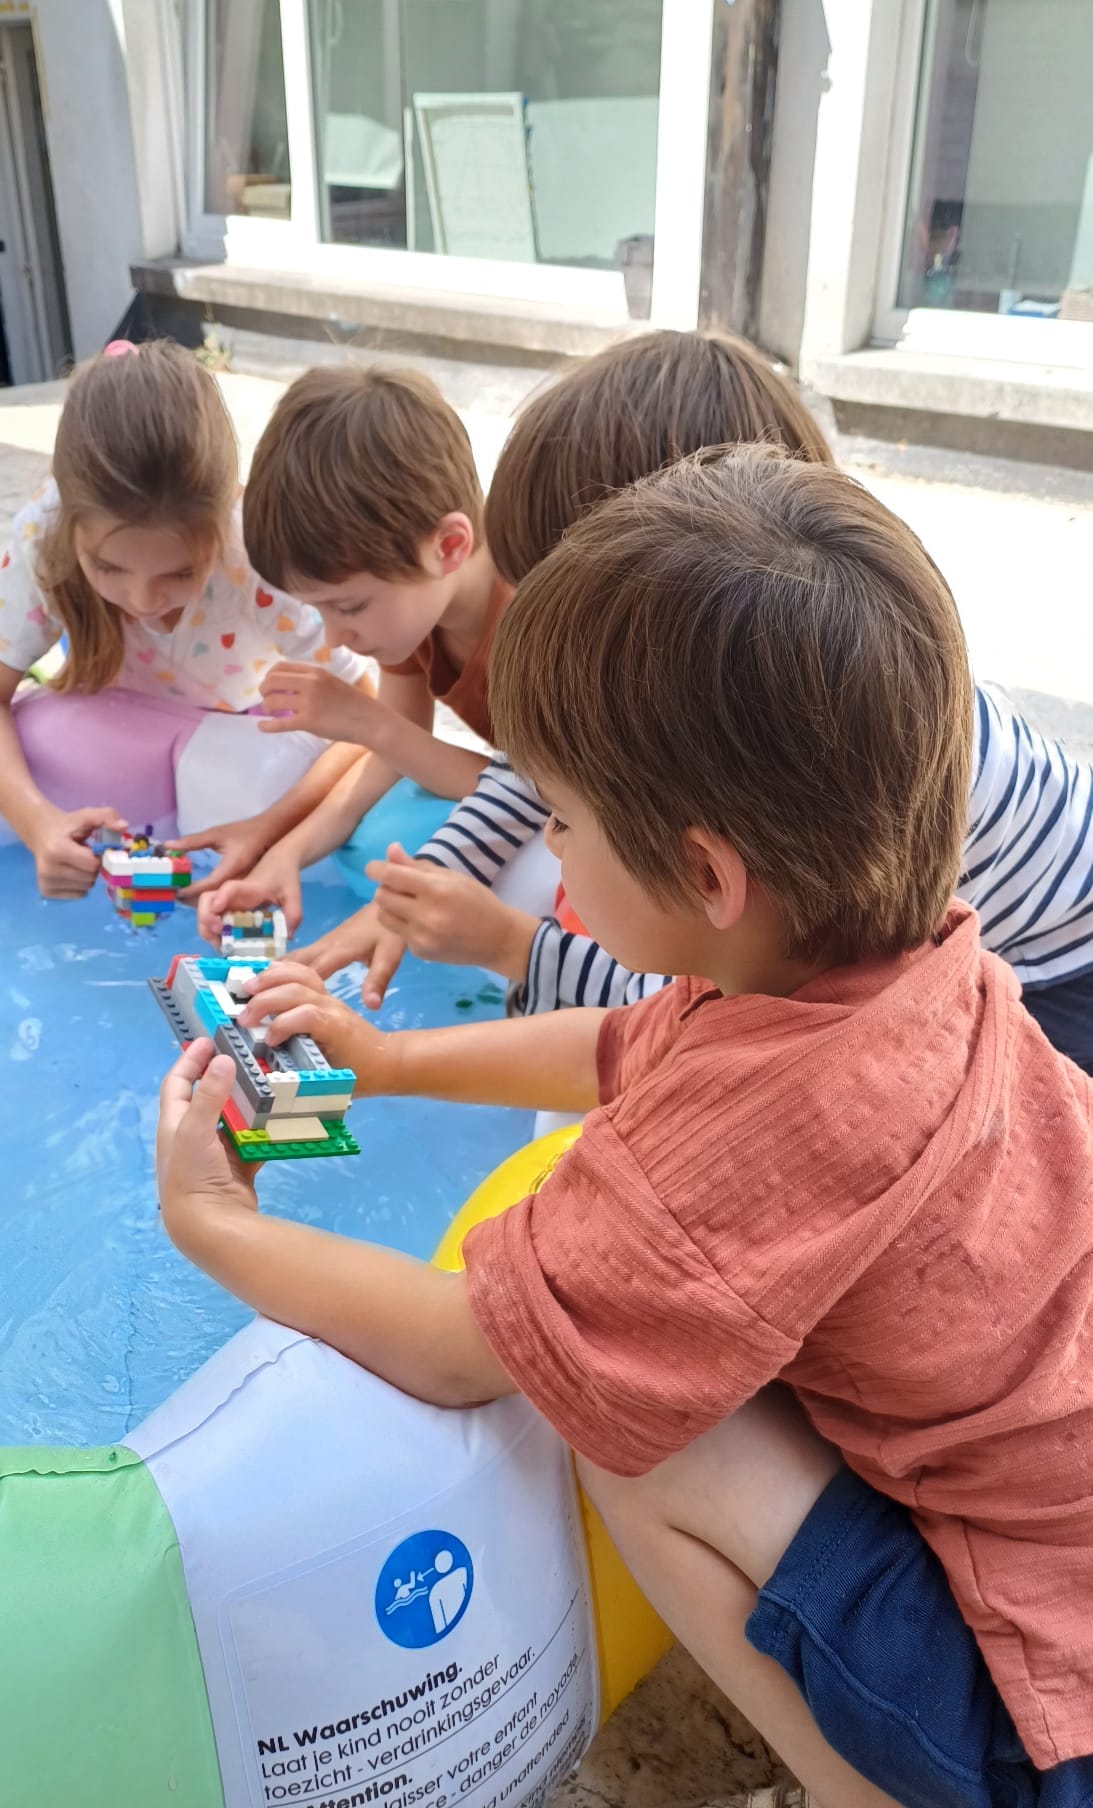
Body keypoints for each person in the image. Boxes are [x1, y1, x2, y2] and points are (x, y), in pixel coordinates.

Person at [158, 449, 1093, 1805]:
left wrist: (212, 1223)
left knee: (626, 1423)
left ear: (706, 874)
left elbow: (465, 1346)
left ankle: (867, 1787)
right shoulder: (924, 961)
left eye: (568, 818)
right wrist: (386, 1059)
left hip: (1040, 1711)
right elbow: (622, 1041)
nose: (558, 852)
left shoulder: (729, 1156)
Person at [296, 331, 1093, 1072]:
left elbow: (719, 1015)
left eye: (573, 603)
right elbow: (524, 773)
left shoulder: (816, 778)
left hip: (1058, 973)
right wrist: (427, 882)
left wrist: (515, 948)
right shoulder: (740, 673)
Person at [0, 341, 372, 898]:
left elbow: (369, 717)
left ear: (221, 519)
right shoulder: (47, 531)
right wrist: (36, 822)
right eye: (107, 567)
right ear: (75, 530)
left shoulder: (255, 554)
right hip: (114, 720)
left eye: (180, 575)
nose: (142, 599)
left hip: (240, 725)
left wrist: (272, 826)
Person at [193, 363, 511, 942]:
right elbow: (391, 758)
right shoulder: (416, 610)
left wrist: (367, 722)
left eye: (349, 606)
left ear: (449, 545)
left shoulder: (535, 625)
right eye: (318, 610)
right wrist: (286, 856)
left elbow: (541, 793)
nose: (334, 637)